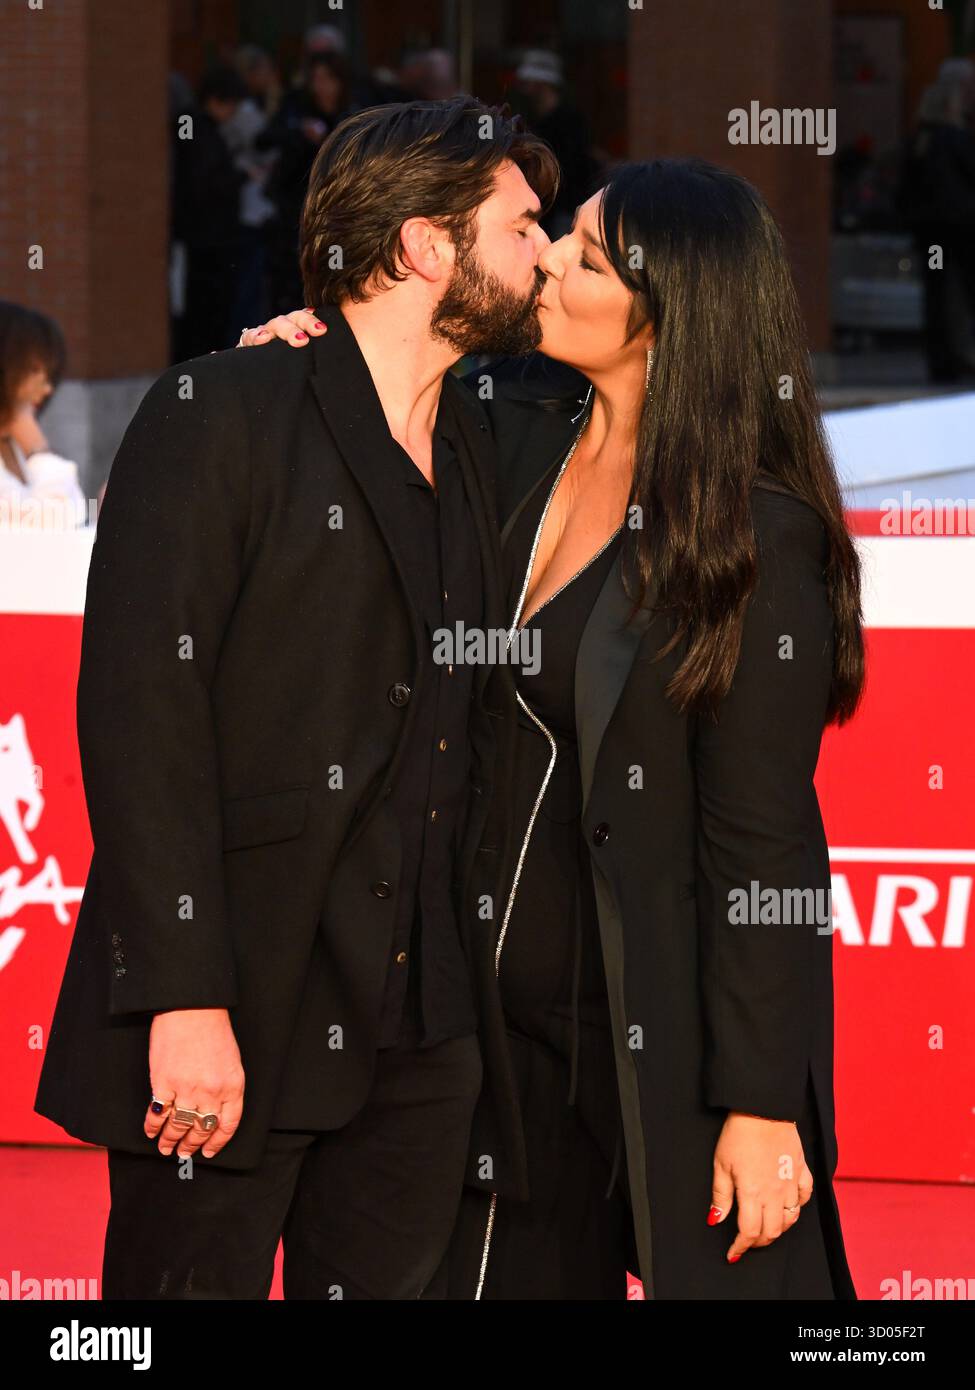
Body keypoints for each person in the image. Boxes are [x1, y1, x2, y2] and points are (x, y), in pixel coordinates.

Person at [243, 153, 865, 1299]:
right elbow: (380, 401)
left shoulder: (751, 539)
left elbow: (761, 846)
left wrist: (765, 1101)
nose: (548, 262)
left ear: (672, 310)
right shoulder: (507, 428)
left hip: (649, 1037)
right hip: (476, 1041)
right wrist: (307, 361)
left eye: (587, 254)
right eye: (556, 234)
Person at [33, 97, 557, 1300]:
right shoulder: (218, 413)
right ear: (428, 246)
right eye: (522, 226)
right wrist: (183, 999)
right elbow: (140, 718)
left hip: (428, 1041)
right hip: (236, 1009)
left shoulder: (500, 434)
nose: (544, 254)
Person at [898, 58, 975, 383]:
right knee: (962, 294)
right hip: (960, 230)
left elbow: (907, 188)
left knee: (937, 296)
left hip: (931, 232)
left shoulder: (920, 141)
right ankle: (957, 357)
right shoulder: (953, 139)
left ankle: (942, 362)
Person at [0, 301, 86, 529]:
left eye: (49, 374)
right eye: (34, 370)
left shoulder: (12, 446)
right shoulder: (26, 444)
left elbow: (71, 516)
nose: (47, 388)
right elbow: (49, 522)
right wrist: (36, 445)